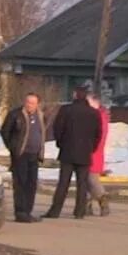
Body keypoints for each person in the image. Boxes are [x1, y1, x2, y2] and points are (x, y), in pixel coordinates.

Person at [44, 85, 104, 219]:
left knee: (63, 183)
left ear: (75, 95)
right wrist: (91, 148)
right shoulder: (94, 113)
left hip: (67, 151)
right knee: (82, 184)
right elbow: (98, 134)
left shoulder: (66, 110)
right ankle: (79, 211)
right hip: (85, 153)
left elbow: (57, 129)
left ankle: (55, 211)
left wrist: (61, 144)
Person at [0, 93, 48, 222]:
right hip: (20, 154)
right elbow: (5, 132)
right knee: (20, 183)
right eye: (28, 102)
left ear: (37, 104)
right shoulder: (15, 115)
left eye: (33, 103)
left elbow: (42, 132)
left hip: (34, 154)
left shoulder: (40, 115)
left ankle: (28, 211)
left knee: (31, 184)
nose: (30, 105)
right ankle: (20, 212)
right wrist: (13, 147)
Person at [86, 92, 111, 216]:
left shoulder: (99, 117)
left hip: (93, 152)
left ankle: (103, 200)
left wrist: (90, 149)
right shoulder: (99, 115)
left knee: (92, 179)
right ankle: (86, 204)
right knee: (85, 179)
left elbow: (99, 137)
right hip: (92, 152)